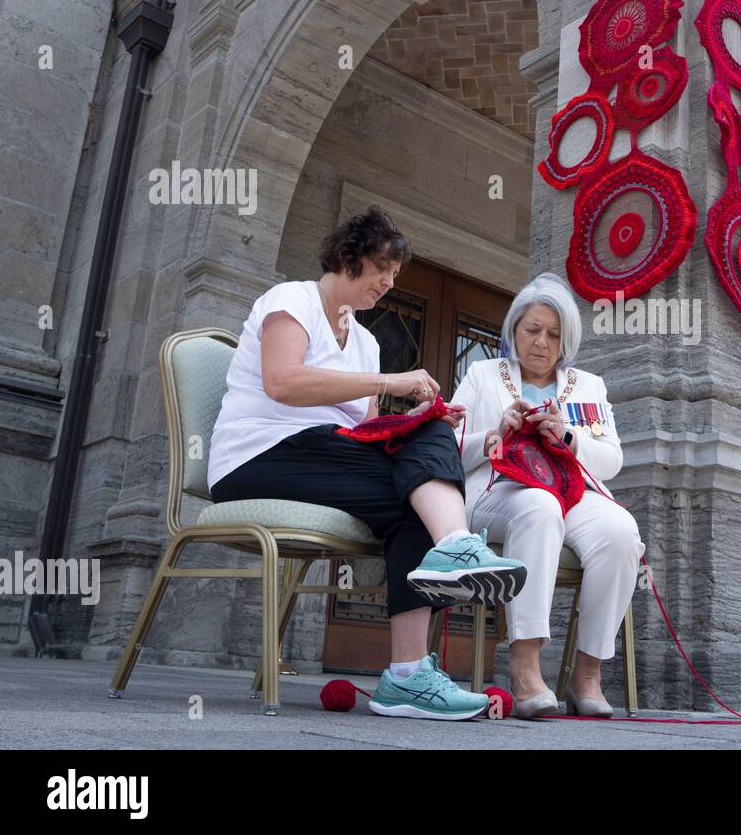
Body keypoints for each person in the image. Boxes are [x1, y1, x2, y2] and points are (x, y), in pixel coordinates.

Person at [206, 205, 525, 721]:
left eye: (395, 274)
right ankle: (457, 548)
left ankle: (407, 676)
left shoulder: (367, 341)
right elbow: (282, 382)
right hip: (257, 456)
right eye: (383, 268)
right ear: (350, 257)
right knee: (419, 470)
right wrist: (390, 384)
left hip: (323, 456)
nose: (388, 282)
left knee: (418, 475)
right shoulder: (292, 299)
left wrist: (419, 419)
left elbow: (364, 435)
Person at [451, 273, 645, 719]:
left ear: (566, 342)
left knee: (620, 530)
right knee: (538, 506)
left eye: (554, 334)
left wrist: (569, 436)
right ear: (514, 331)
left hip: (571, 489)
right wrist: (495, 431)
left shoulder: (589, 385)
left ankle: (587, 674)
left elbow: (611, 459)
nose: (541, 342)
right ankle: (525, 664)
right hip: (498, 489)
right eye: (532, 330)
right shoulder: (483, 374)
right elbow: (448, 449)